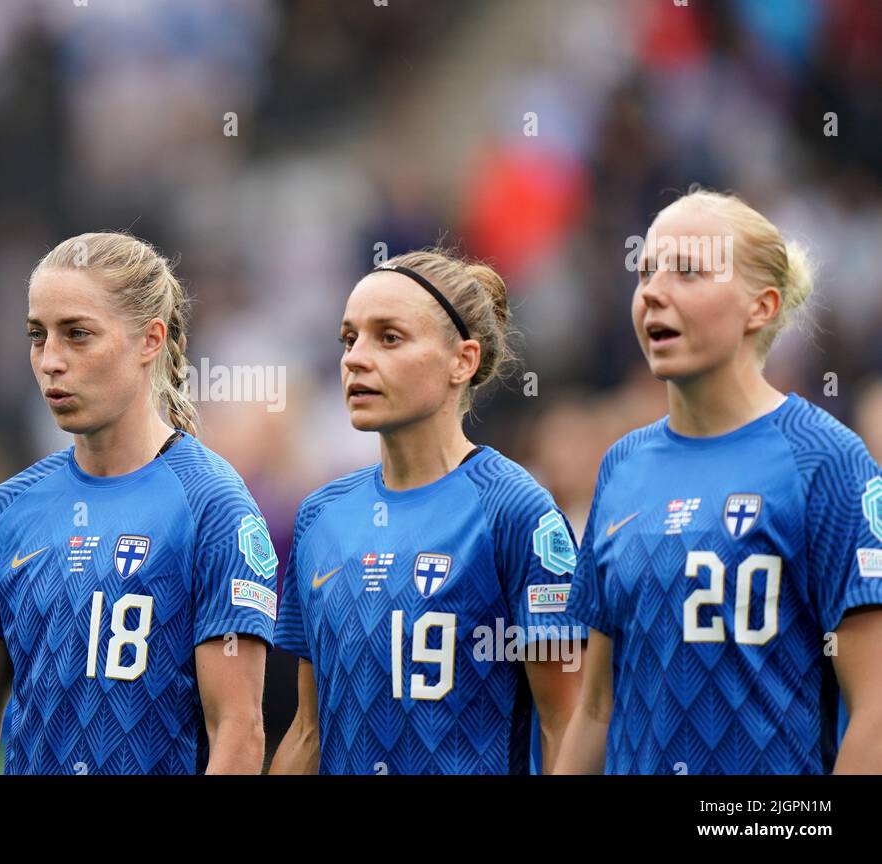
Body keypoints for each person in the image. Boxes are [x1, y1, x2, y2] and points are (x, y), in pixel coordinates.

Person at [0, 232, 276, 774]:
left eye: (78, 335)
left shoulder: (212, 507)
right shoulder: (8, 510)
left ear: (150, 340)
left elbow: (238, 731)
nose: (51, 361)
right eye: (38, 336)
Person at [556, 188, 882, 774]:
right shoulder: (621, 468)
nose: (653, 291)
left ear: (760, 307)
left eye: (686, 272)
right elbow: (598, 709)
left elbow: (876, 709)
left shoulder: (826, 461)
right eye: (646, 271)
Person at [270, 249, 584, 774]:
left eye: (389, 337)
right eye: (350, 339)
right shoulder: (320, 517)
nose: (355, 358)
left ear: (463, 360)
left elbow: (566, 724)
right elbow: (308, 731)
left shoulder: (514, 510)